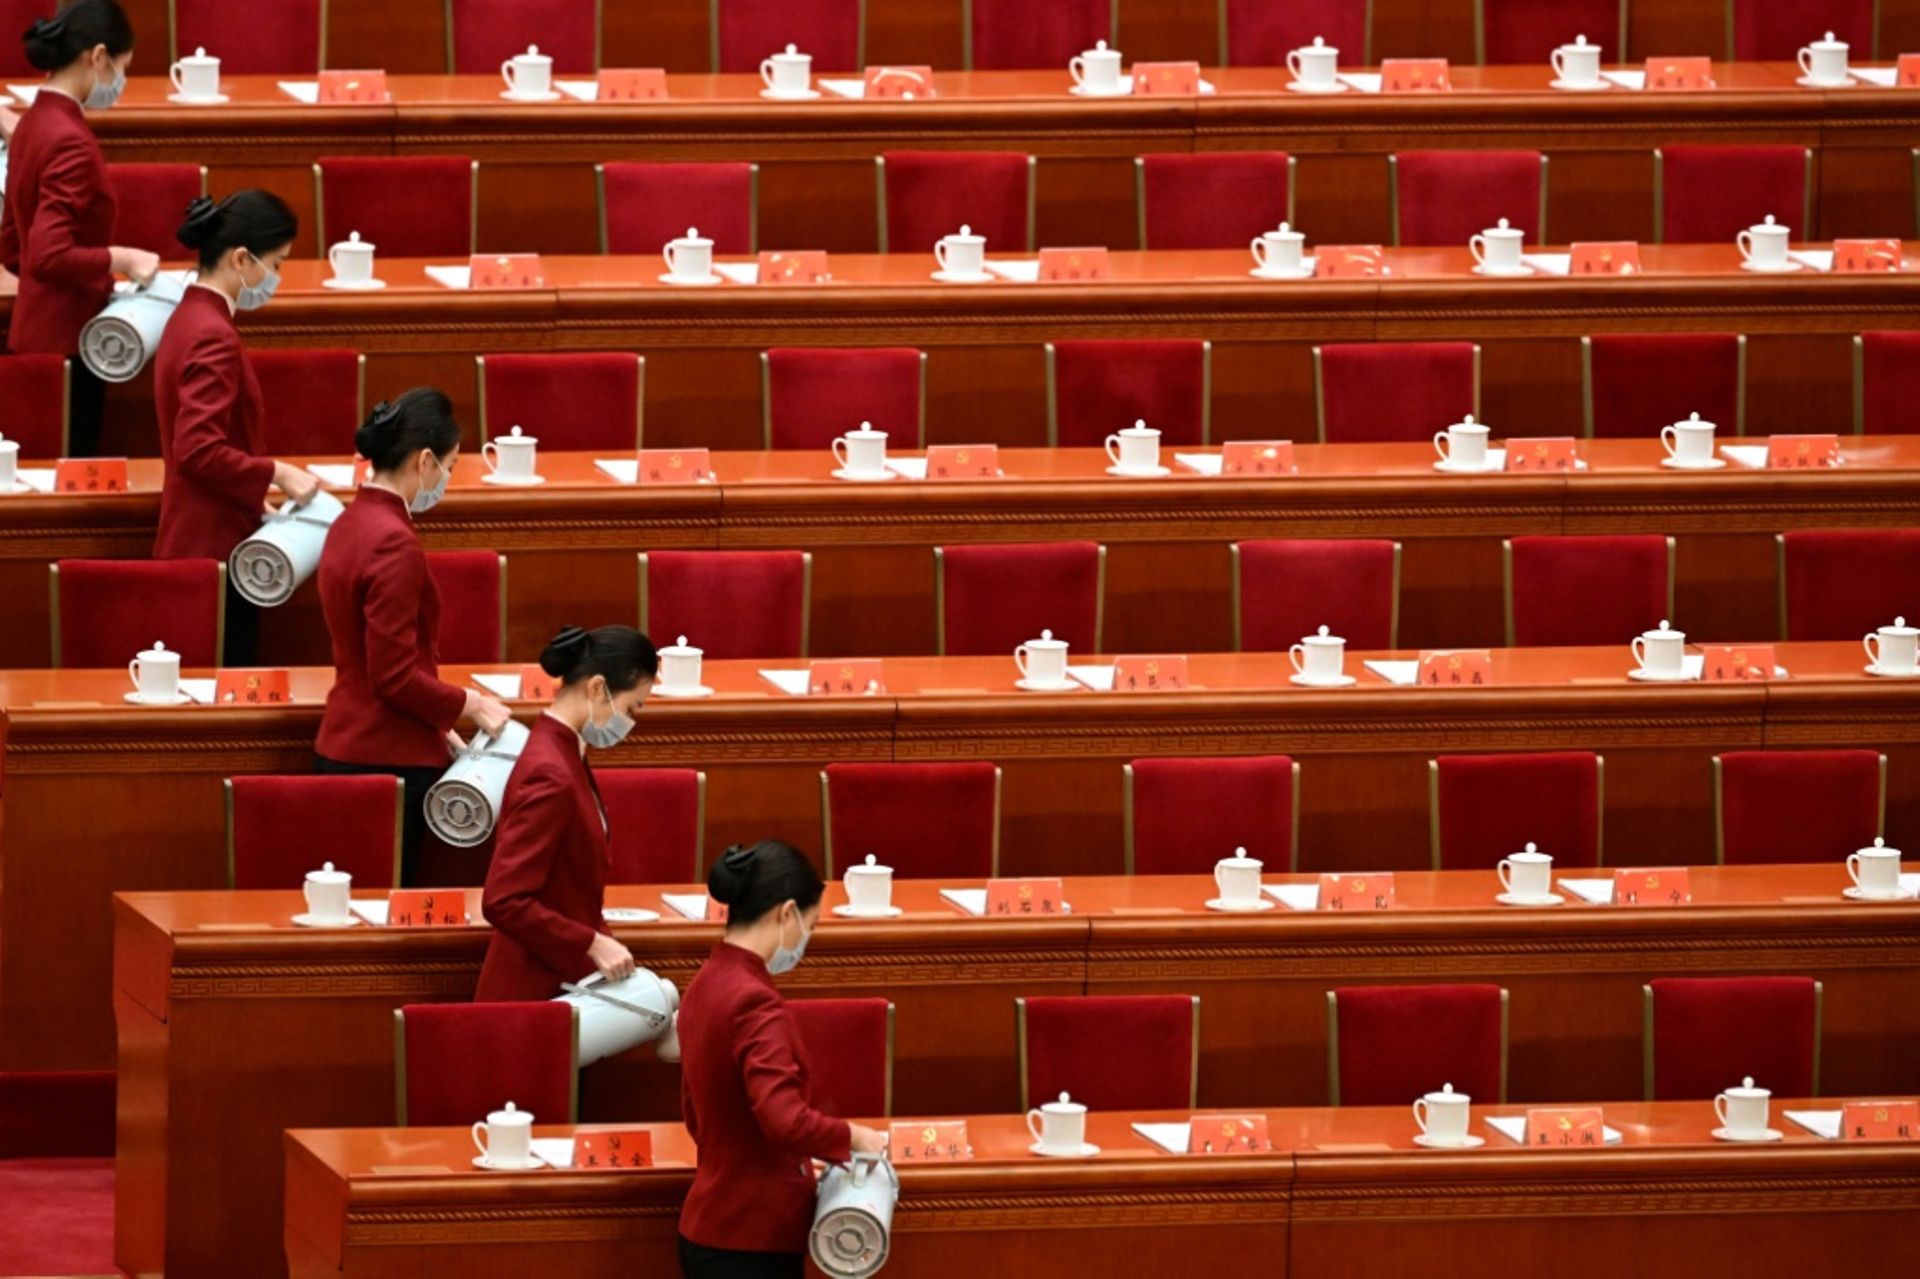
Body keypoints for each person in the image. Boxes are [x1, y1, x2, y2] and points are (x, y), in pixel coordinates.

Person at [314, 388, 511, 882]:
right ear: (424, 462)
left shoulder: (349, 520)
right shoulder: (394, 541)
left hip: (348, 746)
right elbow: (394, 675)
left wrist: (437, 723)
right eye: (449, 465)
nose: (446, 478)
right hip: (387, 763)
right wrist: (472, 704)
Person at [676, 840, 888, 1279]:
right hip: (753, 1240)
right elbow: (784, 1120)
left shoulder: (705, 982)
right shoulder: (755, 1001)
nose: (805, 939)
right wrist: (854, 1137)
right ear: (787, 912)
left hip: (708, 1226)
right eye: (809, 924)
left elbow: (693, 1113)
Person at [154, 191, 321, 664]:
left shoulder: (188, 316)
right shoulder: (212, 335)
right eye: (277, 263)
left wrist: (252, 491)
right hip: (215, 551)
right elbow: (198, 449)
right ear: (241, 258)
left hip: (200, 536)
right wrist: (278, 473)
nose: (278, 278)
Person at [0, 0, 159, 456]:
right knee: (70, 482)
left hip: (31, 335)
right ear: (98, 56)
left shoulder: (31, 122)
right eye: (122, 68)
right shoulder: (69, 138)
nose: (120, 82)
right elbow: (48, 253)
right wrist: (123, 259)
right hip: (71, 344)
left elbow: (16, 248)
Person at [474, 624, 658, 1002]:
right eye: (631, 706)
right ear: (595, 688)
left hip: (555, 983)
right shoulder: (551, 772)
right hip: (530, 992)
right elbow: (503, 899)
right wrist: (589, 942)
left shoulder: (563, 752)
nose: (630, 721)